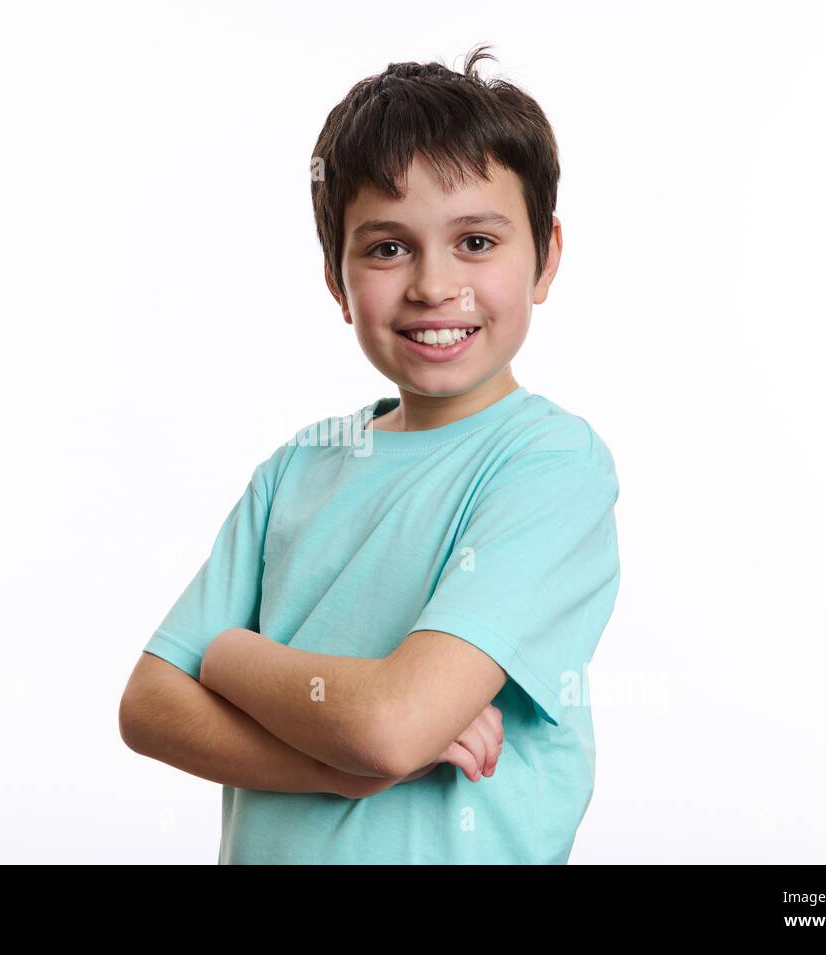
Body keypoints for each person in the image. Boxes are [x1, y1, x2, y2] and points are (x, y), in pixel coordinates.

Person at [119, 43, 621, 864]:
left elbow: (391, 726)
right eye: (387, 248)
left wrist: (228, 653)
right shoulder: (300, 467)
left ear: (547, 254)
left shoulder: (551, 465)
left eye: (477, 242)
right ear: (334, 276)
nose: (432, 284)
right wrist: (333, 765)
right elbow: (148, 705)